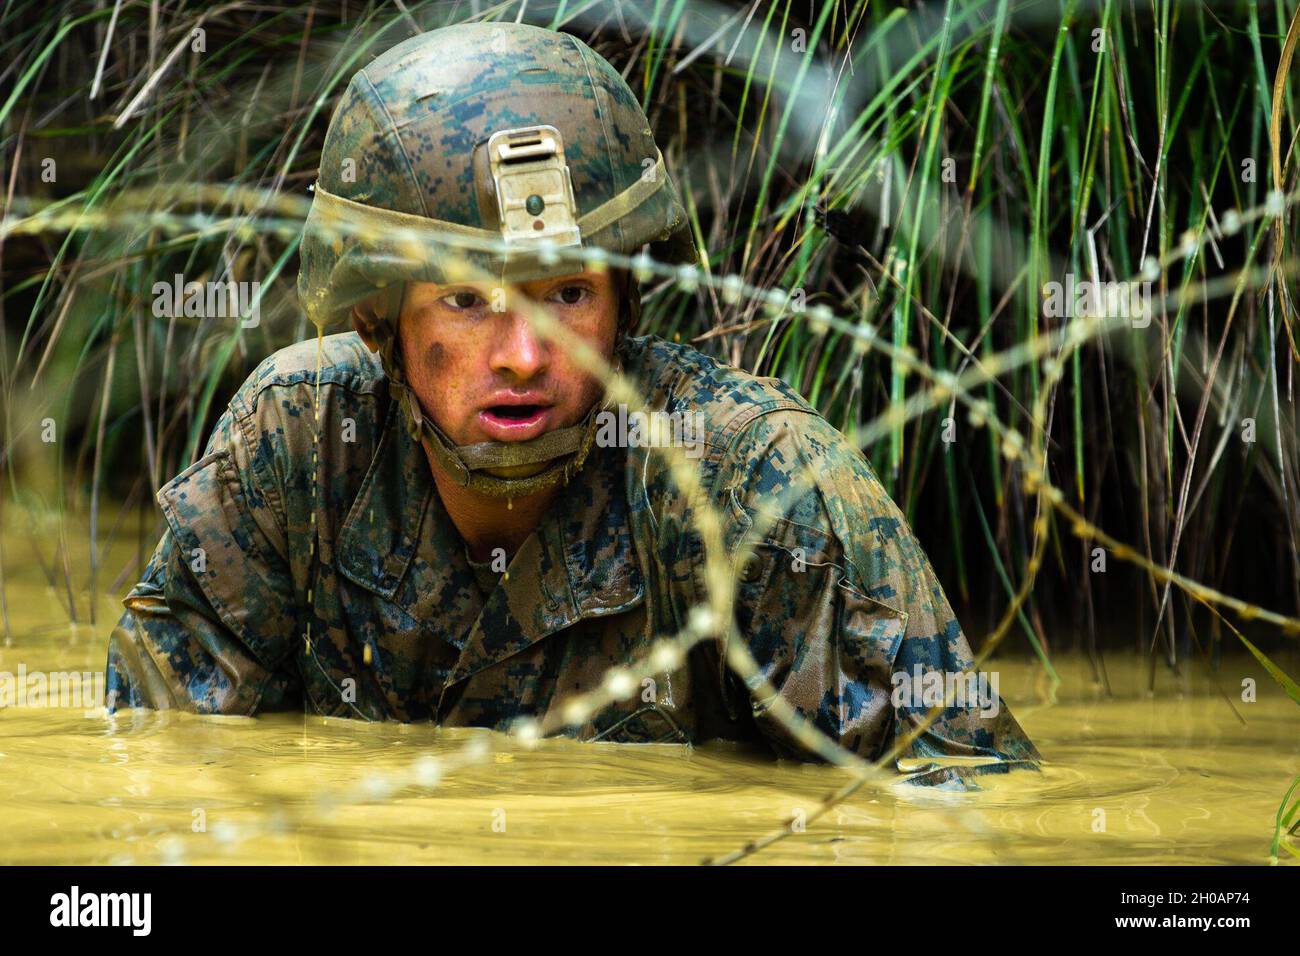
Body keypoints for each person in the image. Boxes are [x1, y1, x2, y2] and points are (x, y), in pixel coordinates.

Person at [105, 21, 1040, 786]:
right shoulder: (300, 440)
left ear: (624, 303)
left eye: (568, 295)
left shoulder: (757, 478)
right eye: (469, 299)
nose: (524, 356)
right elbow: (147, 758)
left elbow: (962, 798)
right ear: (377, 318)